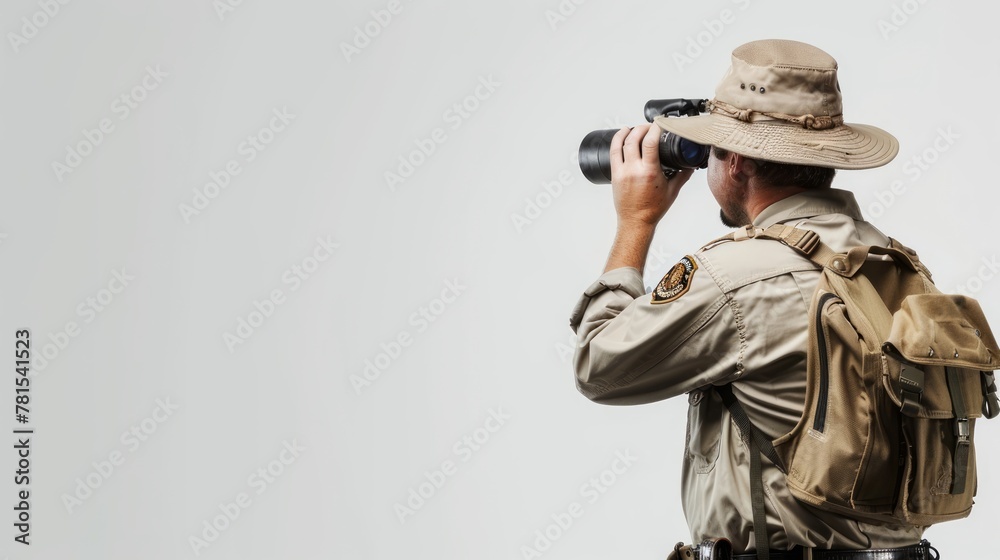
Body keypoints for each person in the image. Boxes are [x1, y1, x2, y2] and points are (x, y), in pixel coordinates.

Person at [568, 39, 933, 555]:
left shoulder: (734, 276)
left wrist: (636, 220)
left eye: (713, 148)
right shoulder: (891, 261)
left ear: (735, 161)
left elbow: (599, 365)